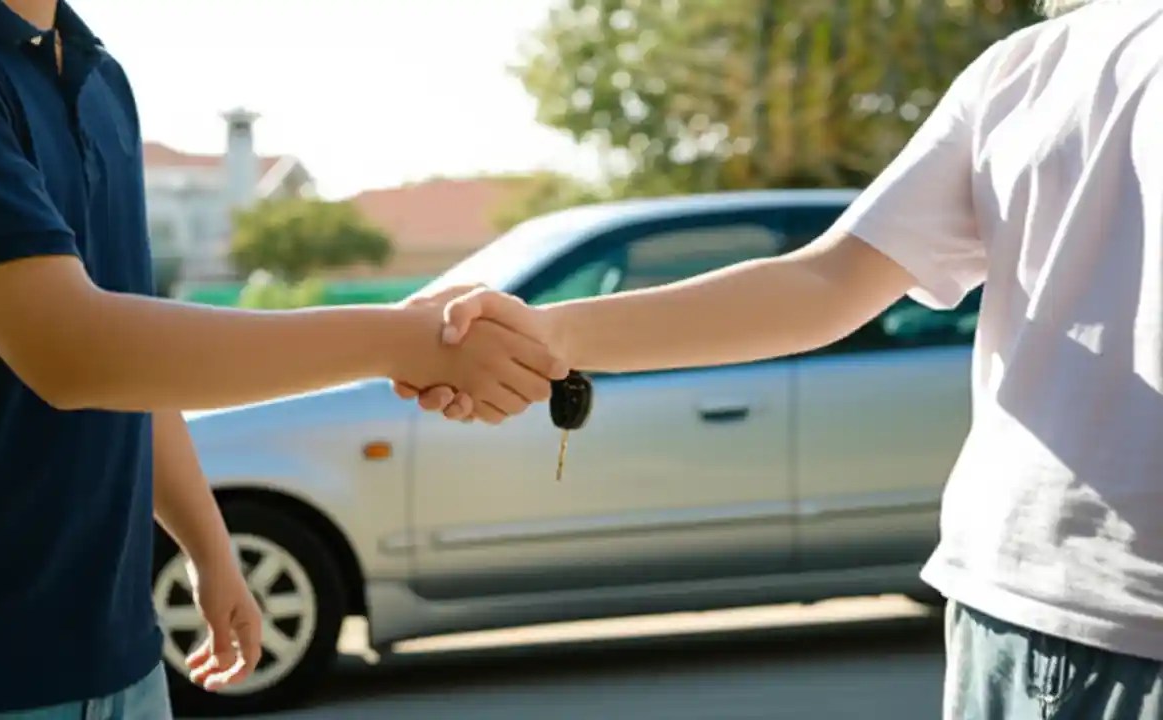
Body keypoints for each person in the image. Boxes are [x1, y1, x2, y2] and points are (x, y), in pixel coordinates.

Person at [400, 0, 1163, 717]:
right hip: (1021, 609)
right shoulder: (1029, 64)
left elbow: (824, 285)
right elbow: (825, 282)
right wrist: (548, 336)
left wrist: (547, 335)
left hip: (1020, 606)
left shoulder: (1031, 63)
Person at [0, 0, 565, 716]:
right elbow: (76, 352)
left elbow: (136, 361)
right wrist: (404, 340)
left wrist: (209, 548)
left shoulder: (95, 73)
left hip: (121, 660)